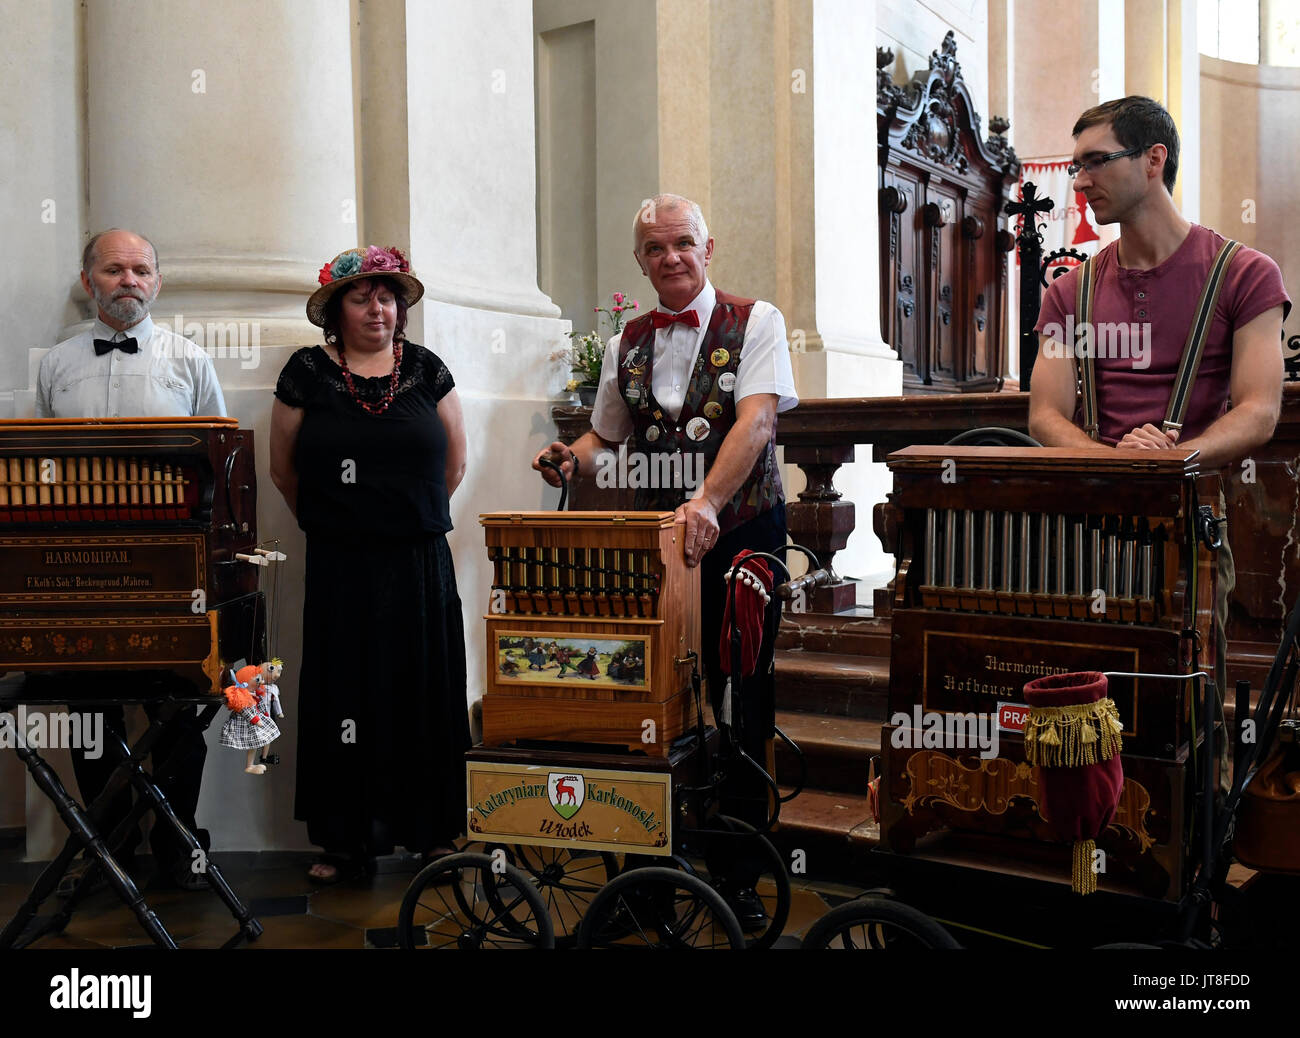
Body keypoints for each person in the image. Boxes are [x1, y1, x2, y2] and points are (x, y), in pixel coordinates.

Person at [531, 194, 799, 926]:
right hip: (662, 549)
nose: (671, 256)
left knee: (739, 703)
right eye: (655, 248)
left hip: (742, 535)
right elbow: (607, 439)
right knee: (652, 704)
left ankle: (738, 878)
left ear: (708, 250)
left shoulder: (758, 321)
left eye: (684, 243)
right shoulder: (628, 341)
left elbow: (757, 421)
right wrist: (570, 459)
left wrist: (708, 501)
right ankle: (646, 878)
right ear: (640, 261)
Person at [1030, 96, 1290, 771]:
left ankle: (1190, 856)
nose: (1079, 181)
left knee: (1183, 711)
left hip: (1193, 528)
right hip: (1090, 526)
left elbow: (1260, 409)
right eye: (1076, 165)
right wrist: (1120, 462)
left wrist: (1171, 459)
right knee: (1087, 704)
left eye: (1094, 162)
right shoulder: (1069, 292)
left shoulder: (1244, 272)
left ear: (1153, 160)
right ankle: (1086, 847)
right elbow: (1045, 417)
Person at [270, 245, 470, 883]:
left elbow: (453, 466)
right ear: (336, 309)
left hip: (418, 561)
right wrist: (339, 523)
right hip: (341, 566)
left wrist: (403, 517)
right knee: (345, 695)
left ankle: (434, 831)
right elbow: (283, 470)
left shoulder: (429, 369)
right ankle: (345, 840)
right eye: (362, 297)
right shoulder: (306, 372)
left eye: (387, 296)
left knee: (423, 691)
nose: (377, 308)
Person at [35, 228, 226, 893]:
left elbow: (218, 469)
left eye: (141, 269)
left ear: (158, 282)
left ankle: (179, 844)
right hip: (79, 567)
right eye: (114, 269)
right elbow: (39, 470)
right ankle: (104, 841)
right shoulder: (54, 363)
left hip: (173, 573)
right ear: (89, 281)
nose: (129, 280)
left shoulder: (191, 360)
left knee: (177, 705)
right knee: (89, 709)